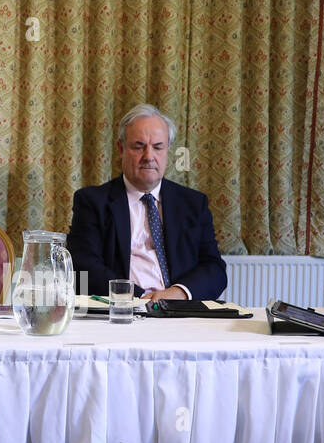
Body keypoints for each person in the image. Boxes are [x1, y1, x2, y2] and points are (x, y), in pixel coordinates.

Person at [66, 104, 227, 301]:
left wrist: (179, 293)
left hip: (180, 314)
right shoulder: (92, 202)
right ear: (121, 148)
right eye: (138, 146)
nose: (149, 156)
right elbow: (84, 266)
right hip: (121, 313)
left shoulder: (193, 204)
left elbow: (214, 268)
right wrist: (139, 298)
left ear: (168, 150)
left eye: (158, 147)